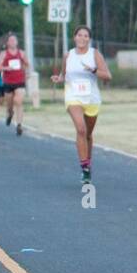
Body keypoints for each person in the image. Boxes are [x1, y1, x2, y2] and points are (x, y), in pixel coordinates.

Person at [51, 25, 111, 182]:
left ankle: (88, 163)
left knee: (88, 135)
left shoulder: (94, 54)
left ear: (89, 39)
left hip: (91, 98)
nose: (82, 38)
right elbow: (64, 75)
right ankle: (84, 168)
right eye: (79, 35)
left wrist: (93, 70)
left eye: (86, 36)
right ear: (75, 37)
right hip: (73, 96)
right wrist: (59, 79)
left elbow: (107, 76)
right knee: (81, 129)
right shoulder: (68, 55)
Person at [0, 33, 30, 135]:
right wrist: (6, 68)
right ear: (7, 43)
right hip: (8, 82)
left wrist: (27, 72)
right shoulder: (3, 54)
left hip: (20, 81)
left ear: (17, 42)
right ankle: (10, 114)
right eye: (10, 40)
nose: (12, 42)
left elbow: (27, 64)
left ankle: (19, 125)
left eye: (14, 40)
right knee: (10, 105)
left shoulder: (22, 53)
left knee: (18, 101)